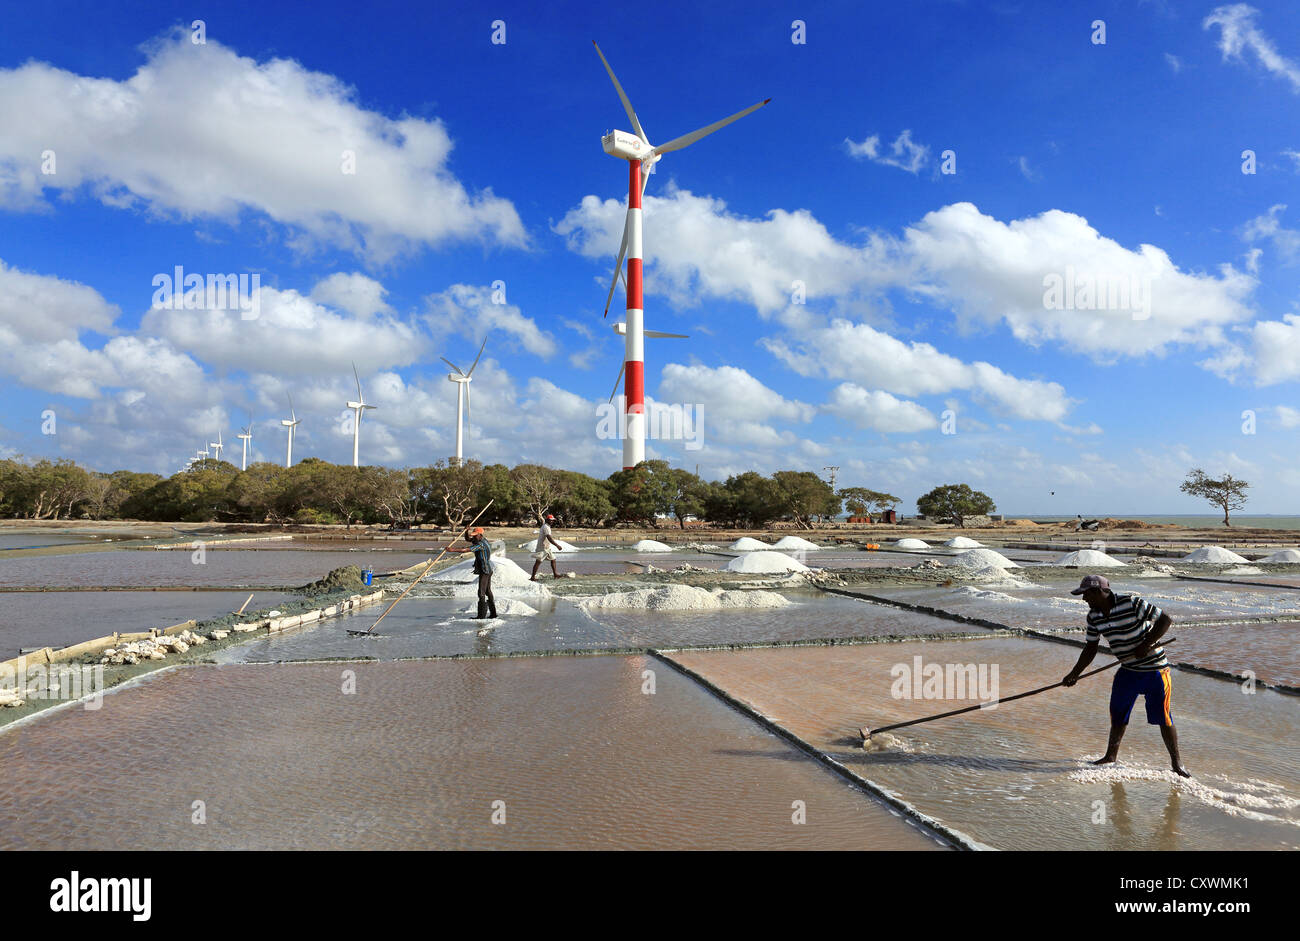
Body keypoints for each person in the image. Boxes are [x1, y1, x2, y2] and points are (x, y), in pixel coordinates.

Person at [1061, 574, 1190, 777]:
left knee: (1163, 717)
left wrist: (1146, 644)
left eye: (1085, 595)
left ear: (1098, 592)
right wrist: (1074, 674)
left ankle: (1177, 763)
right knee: (1118, 714)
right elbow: (1090, 647)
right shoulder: (1093, 616)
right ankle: (1110, 756)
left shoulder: (1131, 603)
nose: (1084, 599)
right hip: (1128, 670)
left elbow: (1165, 620)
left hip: (1154, 670)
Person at [450, 527, 497, 619]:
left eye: (475, 536)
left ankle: (481, 616)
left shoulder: (481, 544)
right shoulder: (482, 540)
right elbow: (468, 539)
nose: (474, 538)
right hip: (488, 570)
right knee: (488, 591)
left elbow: (466, 550)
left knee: (481, 593)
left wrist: (452, 550)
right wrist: (466, 530)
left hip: (485, 570)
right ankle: (493, 614)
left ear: (480, 535)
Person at [530, 513, 563, 581]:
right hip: (542, 548)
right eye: (550, 520)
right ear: (547, 520)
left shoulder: (547, 526)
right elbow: (549, 538)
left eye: (553, 520)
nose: (552, 521)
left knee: (553, 559)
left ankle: (555, 574)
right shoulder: (545, 527)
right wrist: (557, 545)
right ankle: (532, 577)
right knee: (538, 562)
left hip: (547, 547)